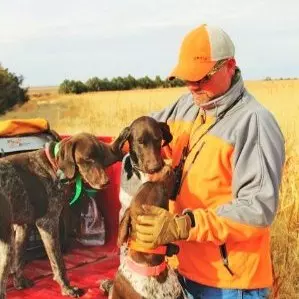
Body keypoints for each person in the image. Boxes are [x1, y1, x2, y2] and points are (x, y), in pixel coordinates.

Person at [134, 24, 285, 299]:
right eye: (186, 78)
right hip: (186, 272)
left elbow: (257, 209)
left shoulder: (254, 123)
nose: (192, 86)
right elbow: (143, 131)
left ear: (230, 66)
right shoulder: (188, 105)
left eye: (201, 78)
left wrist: (183, 225)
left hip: (231, 285)